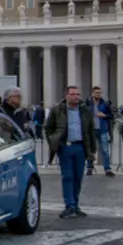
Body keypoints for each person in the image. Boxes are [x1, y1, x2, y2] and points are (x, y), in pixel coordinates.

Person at [43, 85, 98, 218]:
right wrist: (55, 142)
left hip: (80, 147)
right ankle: (69, 205)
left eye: (78, 94)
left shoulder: (85, 110)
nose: (76, 97)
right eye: (73, 94)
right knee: (67, 177)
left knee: (78, 177)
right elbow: (48, 128)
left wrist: (92, 150)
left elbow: (90, 131)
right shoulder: (57, 110)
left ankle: (76, 204)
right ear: (66, 96)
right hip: (66, 147)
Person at [87, 86, 115, 178]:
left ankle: (107, 169)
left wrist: (104, 115)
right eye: (96, 93)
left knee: (105, 150)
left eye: (99, 92)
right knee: (91, 150)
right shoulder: (88, 103)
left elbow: (111, 116)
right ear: (93, 93)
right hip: (92, 130)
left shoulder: (105, 104)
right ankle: (89, 167)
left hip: (103, 129)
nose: (98, 94)